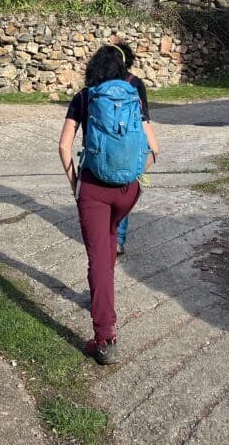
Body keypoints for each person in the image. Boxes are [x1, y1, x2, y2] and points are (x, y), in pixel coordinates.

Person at [58, 44, 158, 365]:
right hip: (128, 190)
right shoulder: (132, 96)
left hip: (94, 190)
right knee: (111, 237)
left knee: (99, 259)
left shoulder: (84, 98)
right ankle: (105, 299)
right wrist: (134, 176)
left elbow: (63, 148)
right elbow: (154, 148)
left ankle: (105, 338)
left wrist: (77, 185)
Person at [112, 42, 159, 255]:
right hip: (130, 146)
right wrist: (153, 148)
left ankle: (104, 234)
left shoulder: (97, 82)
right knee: (126, 187)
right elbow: (143, 117)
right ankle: (118, 239)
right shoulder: (134, 82)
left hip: (104, 148)